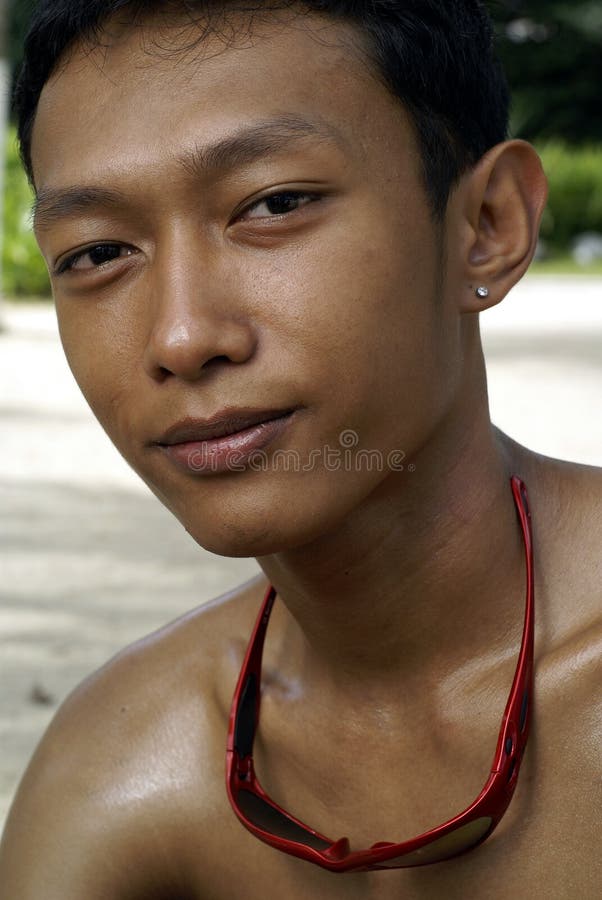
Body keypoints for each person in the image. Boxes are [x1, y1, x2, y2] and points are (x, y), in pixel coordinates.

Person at [0, 1, 600, 896]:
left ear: (488, 225)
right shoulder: (122, 777)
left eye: (274, 204)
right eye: (97, 253)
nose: (182, 336)